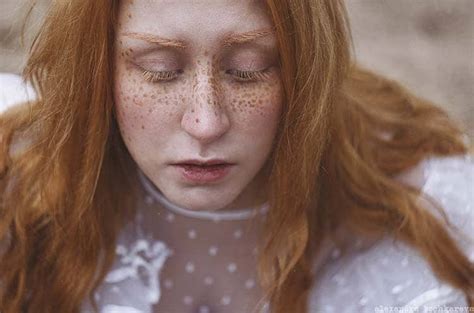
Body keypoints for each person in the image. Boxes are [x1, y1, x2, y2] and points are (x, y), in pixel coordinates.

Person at [0, 1, 472, 312]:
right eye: (159, 71)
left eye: (248, 70)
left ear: (304, 74)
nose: (206, 123)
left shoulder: (428, 216)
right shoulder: (22, 179)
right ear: (98, 71)